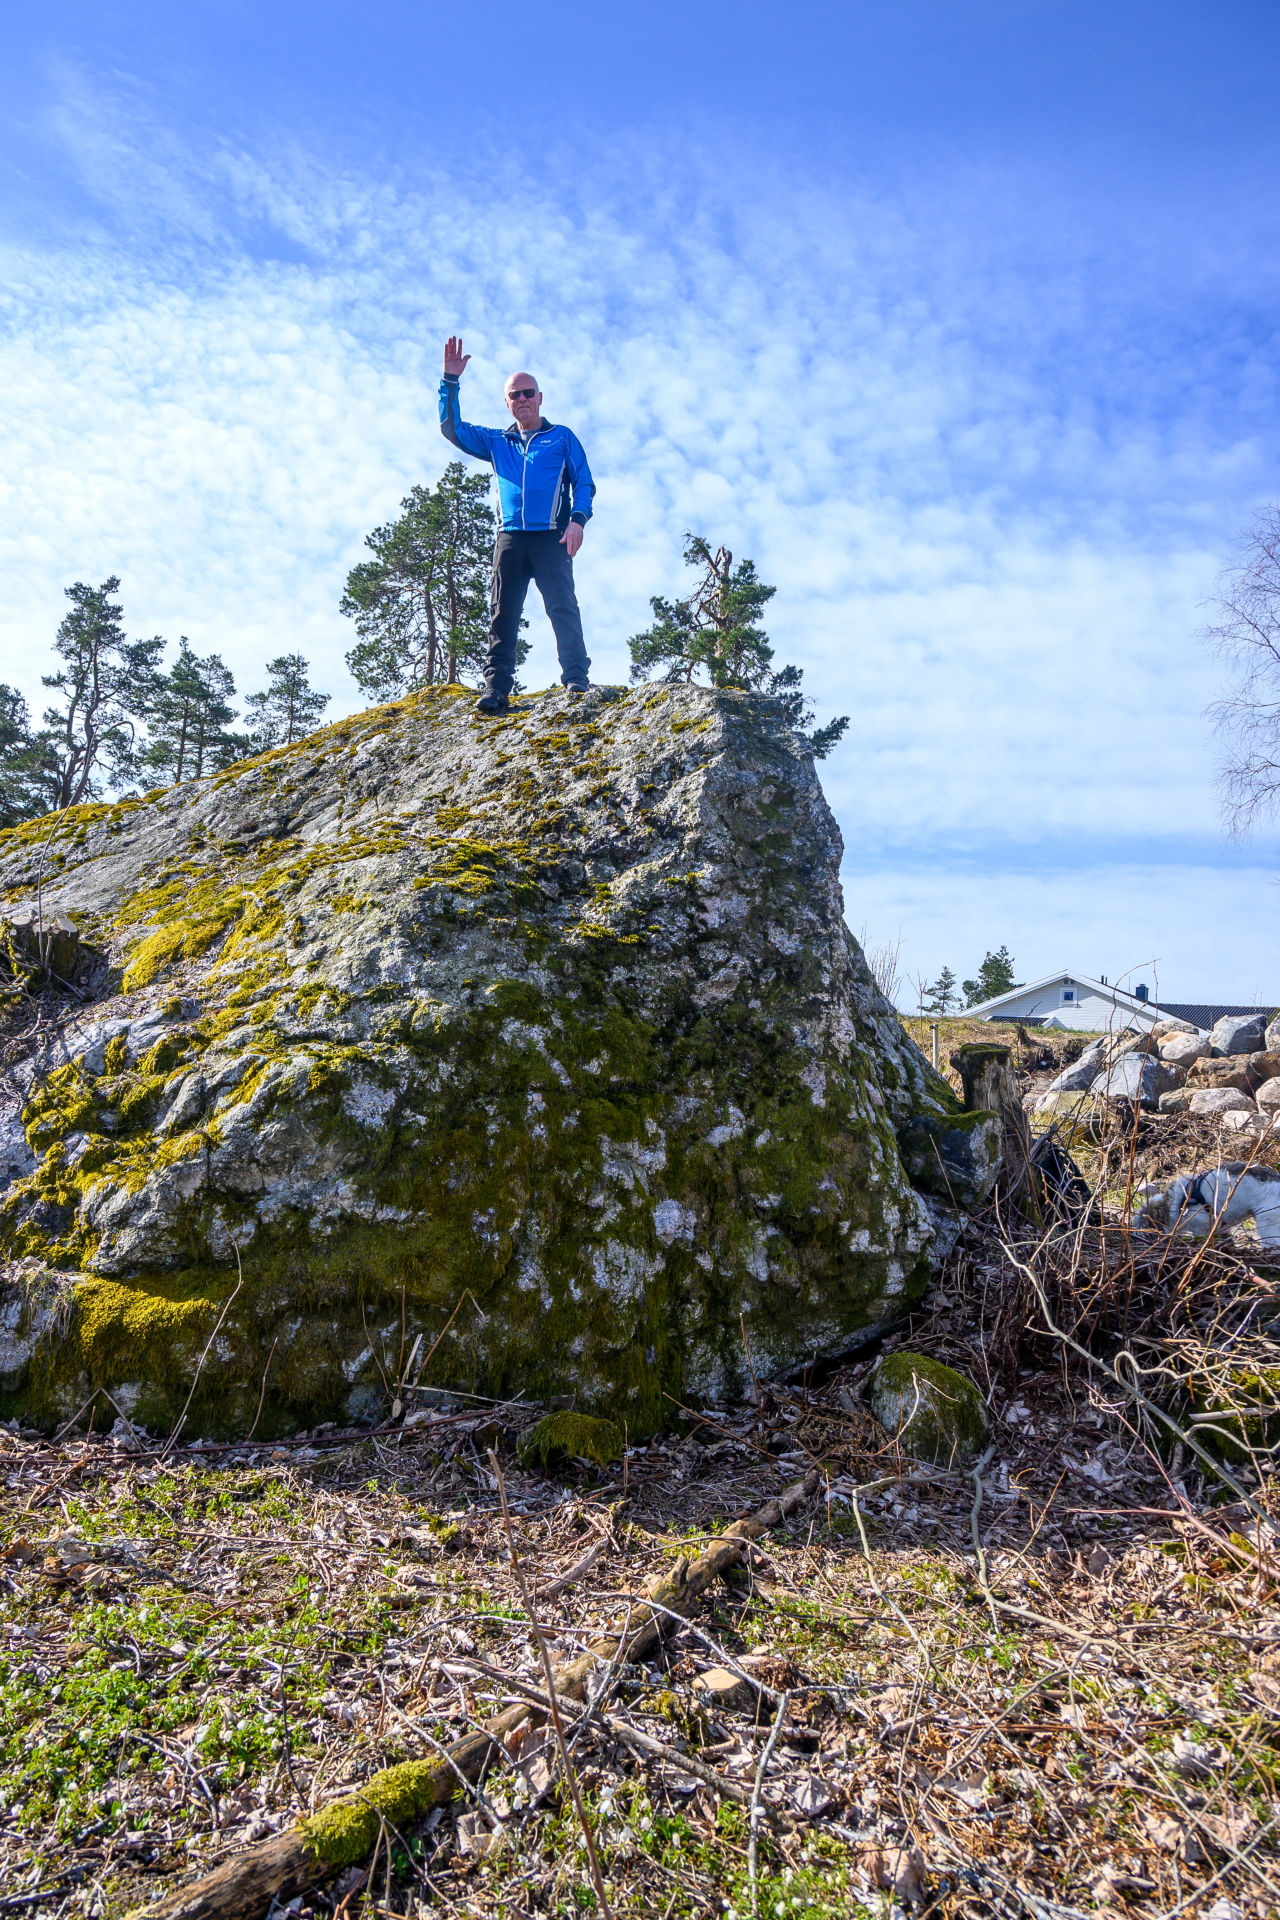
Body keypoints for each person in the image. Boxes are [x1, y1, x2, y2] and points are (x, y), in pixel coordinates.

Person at [439, 337, 596, 714]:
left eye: (528, 393)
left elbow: (585, 483)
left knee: (563, 607)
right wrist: (450, 380)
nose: (522, 399)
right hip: (509, 538)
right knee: (502, 612)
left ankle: (576, 679)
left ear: (540, 398)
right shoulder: (497, 442)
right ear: (507, 403)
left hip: (551, 536)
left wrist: (577, 521)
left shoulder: (562, 438)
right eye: (515, 395)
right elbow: (452, 428)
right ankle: (496, 690)